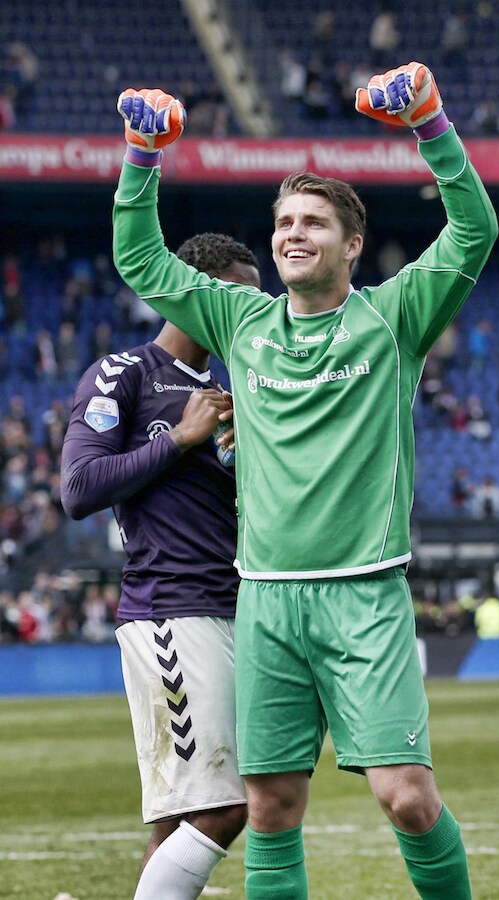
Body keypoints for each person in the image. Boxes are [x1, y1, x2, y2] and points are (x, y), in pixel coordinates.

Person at [113, 61, 498, 899]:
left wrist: (431, 124)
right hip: (266, 599)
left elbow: (473, 230)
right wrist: (143, 155)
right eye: (284, 221)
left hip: (365, 594)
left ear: (352, 245)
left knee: (407, 798)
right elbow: (139, 258)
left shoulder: (393, 317)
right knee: (271, 806)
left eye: (314, 222)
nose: (293, 233)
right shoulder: (239, 318)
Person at [61, 233, 260, 899]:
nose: (248, 312)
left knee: (183, 814)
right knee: (225, 806)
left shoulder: (233, 393)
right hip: (172, 611)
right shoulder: (124, 373)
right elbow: (78, 489)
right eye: (236, 296)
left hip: (237, 608)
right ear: (193, 292)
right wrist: (180, 438)